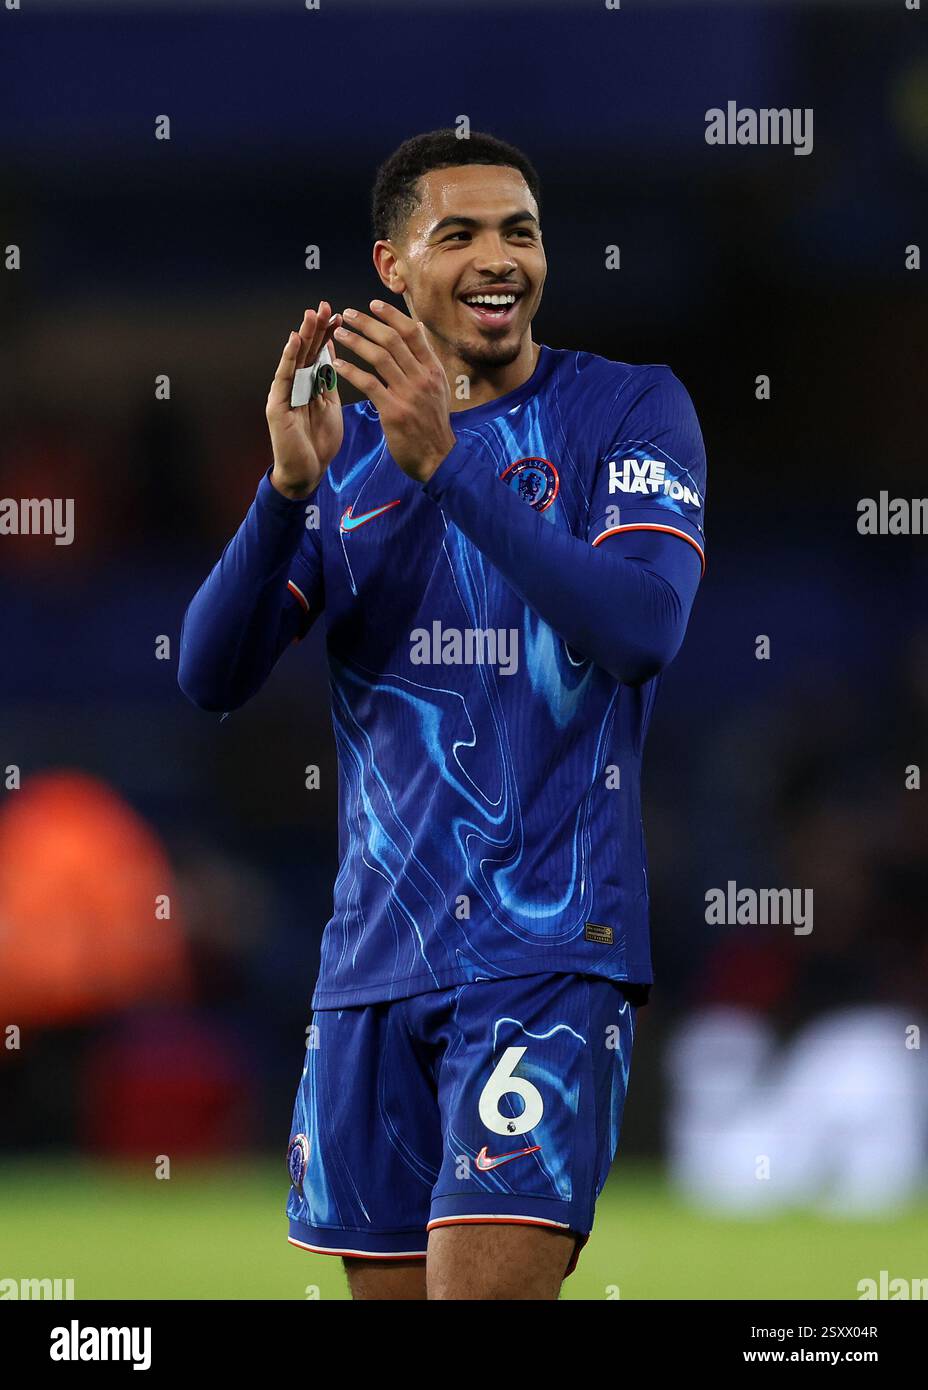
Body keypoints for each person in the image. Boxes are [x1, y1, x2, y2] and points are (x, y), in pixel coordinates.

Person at [179, 128, 707, 1300]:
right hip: (372, 964)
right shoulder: (346, 452)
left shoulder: (629, 409)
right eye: (457, 233)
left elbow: (640, 629)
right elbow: (211, 674)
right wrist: (285, 491)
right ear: (392, 266)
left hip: (545, 945)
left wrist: (448, 466)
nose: (498, 256)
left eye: (520, 231)